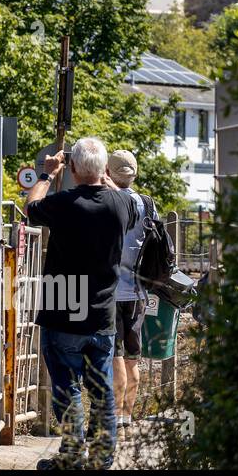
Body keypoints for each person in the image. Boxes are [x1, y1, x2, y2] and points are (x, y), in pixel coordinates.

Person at [23, 137, 137, 469]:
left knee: (66, 386)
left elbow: (30, 208)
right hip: (102, 315)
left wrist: (46, 175)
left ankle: (72, 455)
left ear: (72, 168)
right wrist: (101, 173)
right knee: (101, 391)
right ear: (103, 170)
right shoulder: (123, 205)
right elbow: (115, 189)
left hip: (63, 308)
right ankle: (102, 459)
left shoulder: (63, 203)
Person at [107, 150, 148, 429]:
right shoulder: (146, 203)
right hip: (138, 290)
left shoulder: (110, 201)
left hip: (111, 292)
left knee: (116, 356)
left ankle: (114, 417)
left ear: (108, 172)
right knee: (133, 357)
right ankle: (126, 416)